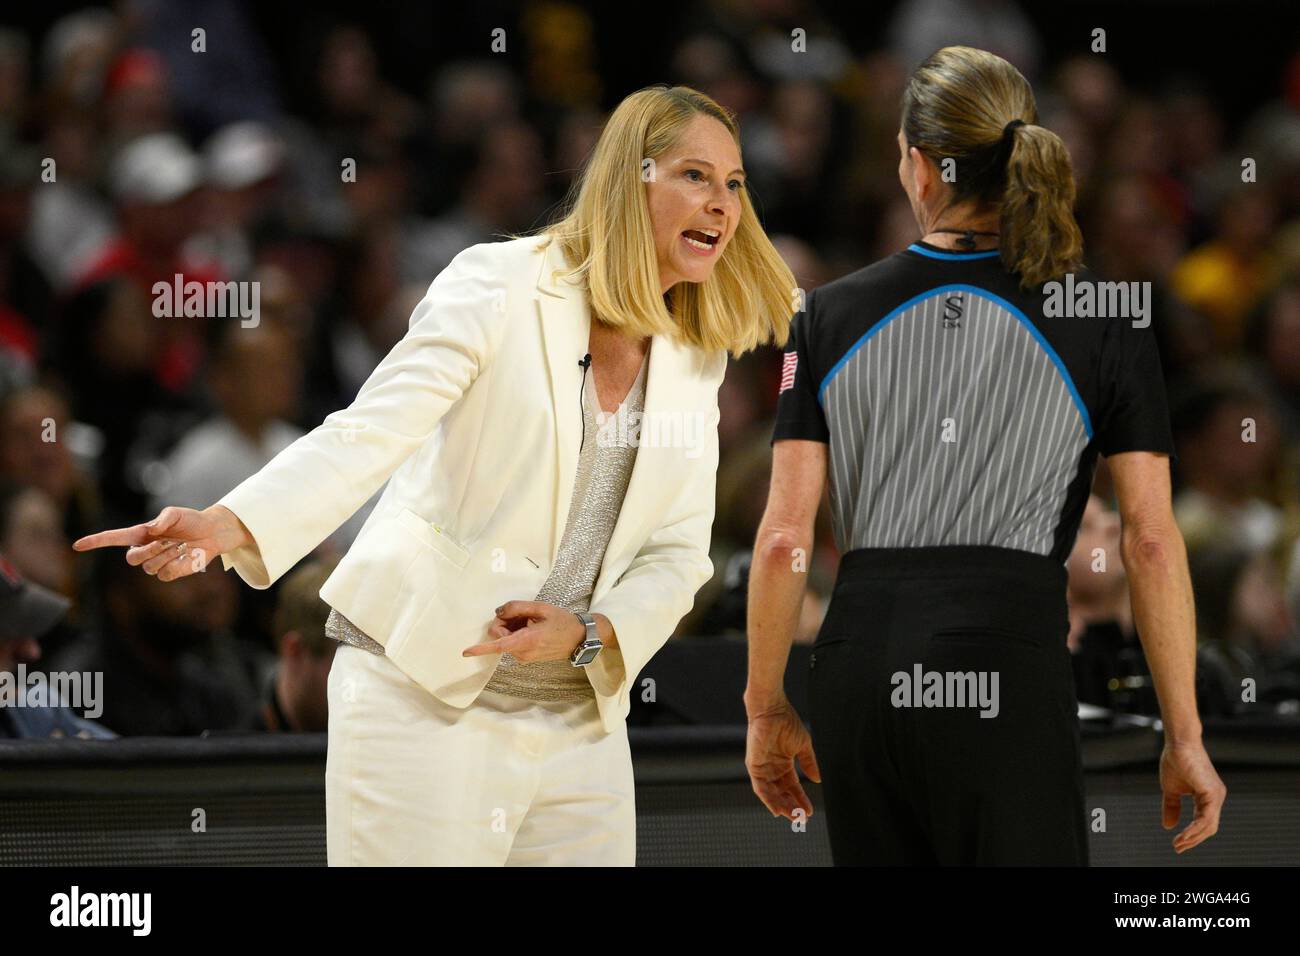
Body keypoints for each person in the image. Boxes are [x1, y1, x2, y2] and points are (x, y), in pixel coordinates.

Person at [74, 85, 796, 865]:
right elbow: (372, 427)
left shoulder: (694, 354)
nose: (721, 204)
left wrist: (593, 634)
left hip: (581, 723)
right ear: (632, 176)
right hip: (422, 688)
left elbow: (680, 551)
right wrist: (234, 523)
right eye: (695, 175)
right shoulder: (500, 283)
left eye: (735, 183)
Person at [745, 46, 1225, 865]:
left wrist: (765, 707)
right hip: (1007, 664)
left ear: (923, 168)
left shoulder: (822, 316)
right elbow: (1148, 540)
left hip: (859, 669)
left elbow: (786, 538)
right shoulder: (1107, 314)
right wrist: (1184, 733)